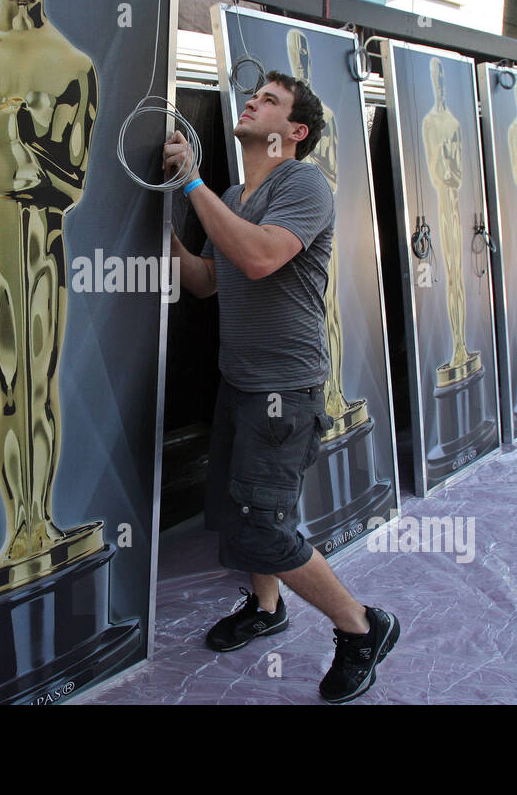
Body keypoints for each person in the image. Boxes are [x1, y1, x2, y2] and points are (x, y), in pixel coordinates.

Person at [166, 71, 400, 703]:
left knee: (264, 527)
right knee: (242, 512)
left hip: (284, 388)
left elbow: (260, 258)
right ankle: (267, 608)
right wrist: (163, 233)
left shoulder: (303, 183)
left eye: (269, 100)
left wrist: (190, 183)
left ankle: (361, 626)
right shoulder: (235, 196)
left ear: (294, 131)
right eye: (254, 95)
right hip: (240, 382)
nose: (252, 102)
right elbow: (207, 282)